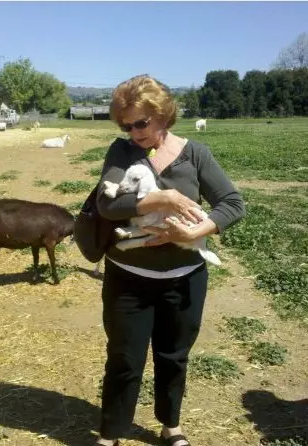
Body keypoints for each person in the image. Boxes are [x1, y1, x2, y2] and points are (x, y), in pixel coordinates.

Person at [93, 75, 246, 446]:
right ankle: (112, 431)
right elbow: (107, 205)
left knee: (174, 355)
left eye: (140, 123)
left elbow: (233, 203)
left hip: (185, 277)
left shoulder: (197, 154)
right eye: (126, 125)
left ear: (163, 115)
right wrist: (164, 199)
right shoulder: (122, 152)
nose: (133, 132)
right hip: (128, 278)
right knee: (125, 358)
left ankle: (171, 425)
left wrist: (198, 232)